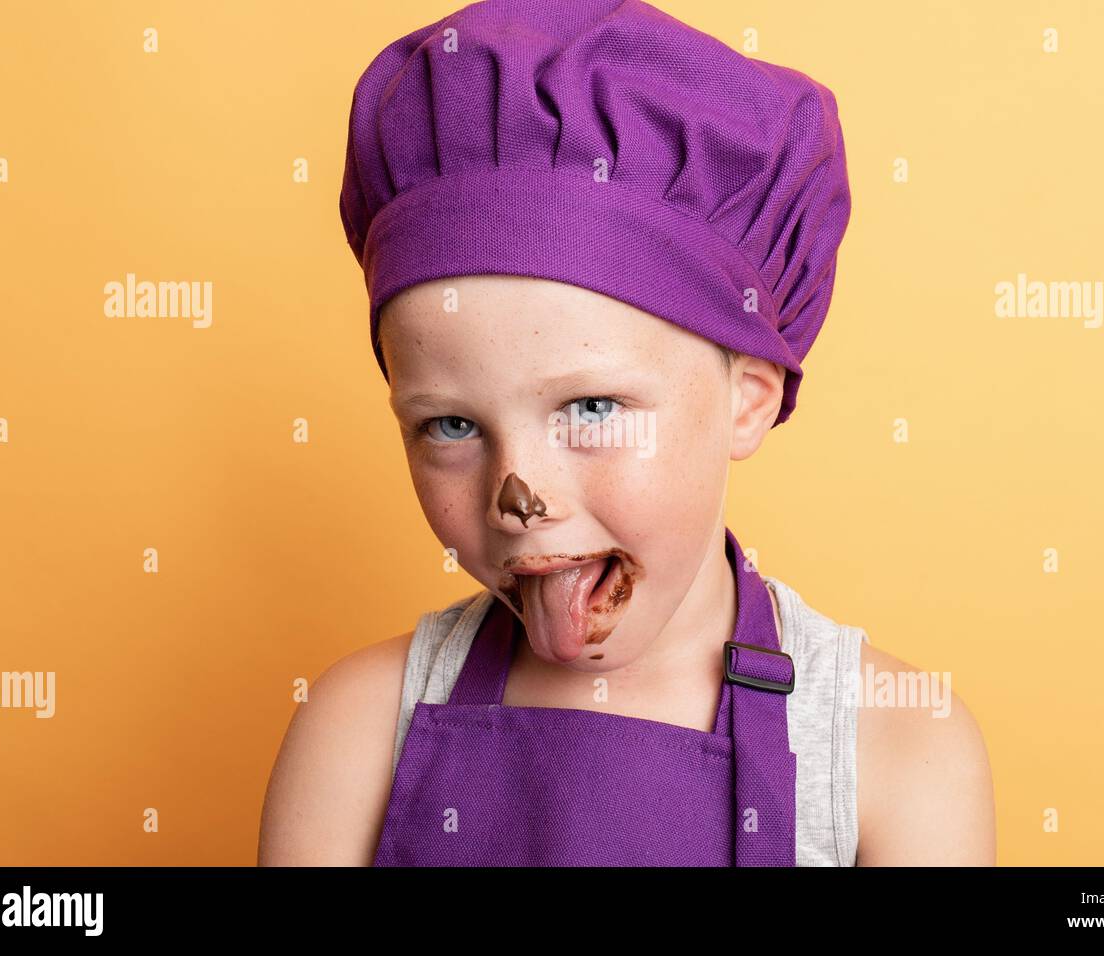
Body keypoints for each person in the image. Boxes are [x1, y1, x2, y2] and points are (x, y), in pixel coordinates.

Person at [259, 0, 994, 866]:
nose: (517, 498)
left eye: (591, 409)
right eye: (452, 424)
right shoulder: (355, 731)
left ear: (748, 399)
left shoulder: (895, 749)